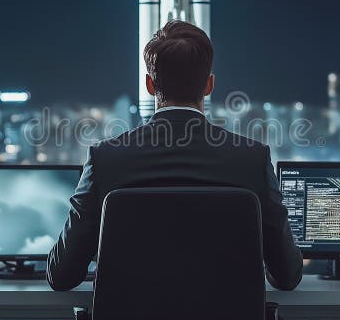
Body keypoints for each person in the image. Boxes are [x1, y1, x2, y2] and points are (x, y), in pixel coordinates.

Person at [47, 20, 303, 291]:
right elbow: (286, 275)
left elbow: (62, 275)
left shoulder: (105, 159)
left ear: (149, 84)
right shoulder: (251, 160)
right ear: (209, 85)